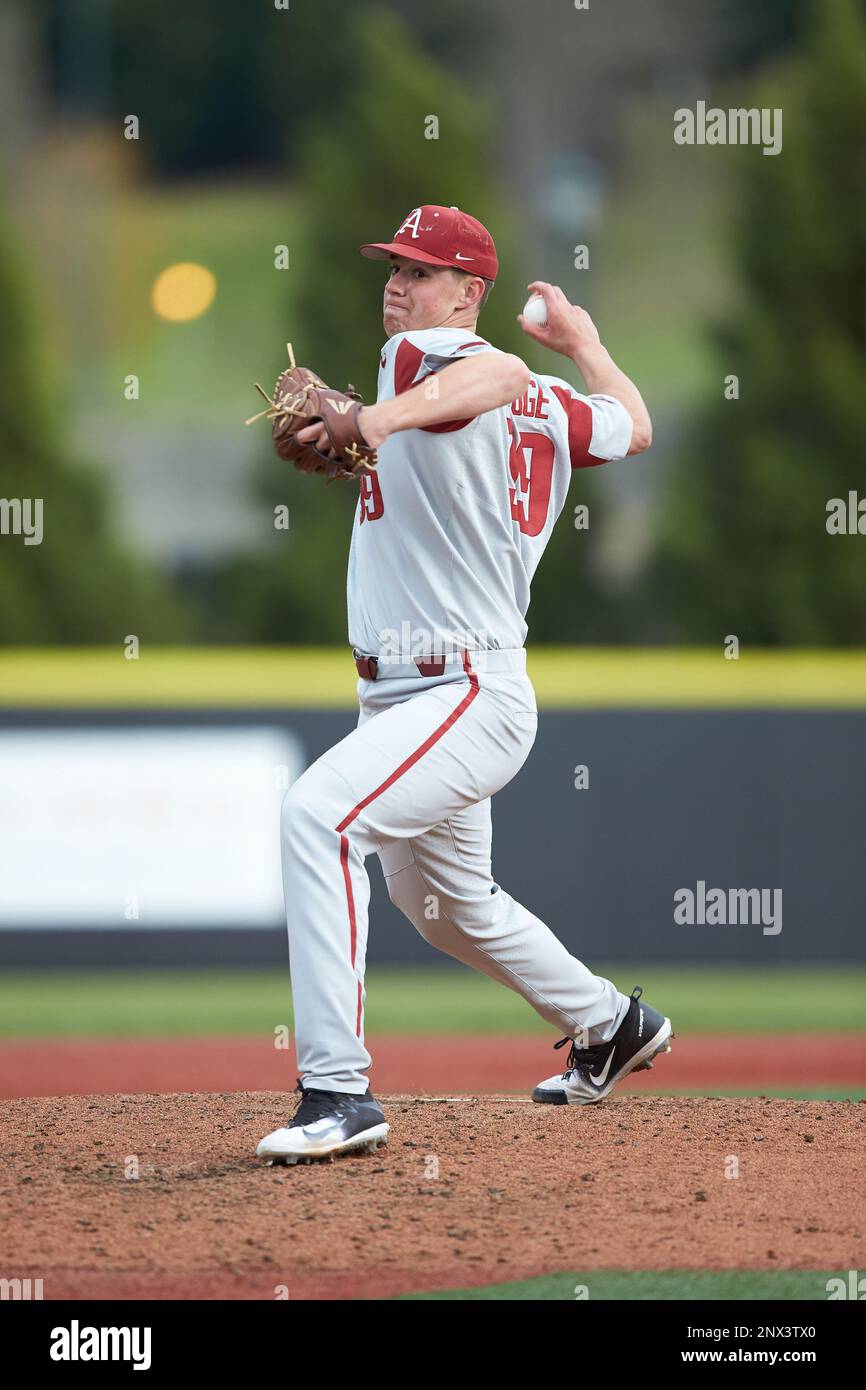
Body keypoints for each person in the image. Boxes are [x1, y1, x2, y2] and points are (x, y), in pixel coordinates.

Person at [256, 204, 671, 1166]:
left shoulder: (427, 362)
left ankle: (338, 1091)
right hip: (420, 695)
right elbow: (632, 426)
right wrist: (590, 344)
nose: (397, 286)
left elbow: (500, 371)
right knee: (445, 905)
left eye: (422, 270)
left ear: (469, 294)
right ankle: (612, 1023)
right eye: (393, 268)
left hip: (463, 689)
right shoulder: (541, 407)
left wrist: (367, 417)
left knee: (317, 818)